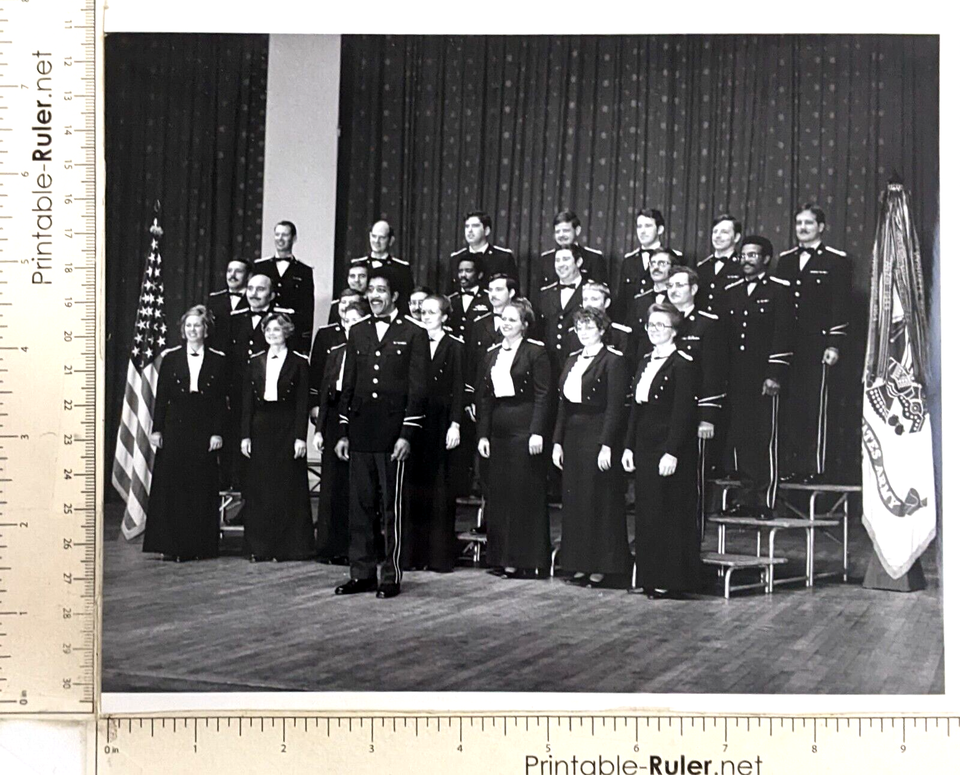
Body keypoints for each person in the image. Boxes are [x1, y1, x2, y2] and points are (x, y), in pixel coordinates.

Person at [334, 268, 429, 599]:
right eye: (371, 290)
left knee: (392, 508)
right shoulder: (358, 331)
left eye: (381, 290)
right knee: (360, 508)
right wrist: (344, 430)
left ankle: (390, 575)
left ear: (395, 296)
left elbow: (418, 389)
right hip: (361, 430)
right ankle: (361, 573)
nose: (374, 295)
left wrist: (406, 434)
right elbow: (349, 383)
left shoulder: (414, 332)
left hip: (393, 433)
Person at [622, 303, 700, 599]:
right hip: (644, 445)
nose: (654, 330)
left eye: (661, 325)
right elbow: (635, 410)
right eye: (650, 325)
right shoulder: (645, 361)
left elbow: (683, 413)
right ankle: (649, 577)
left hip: (668, 447)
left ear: (674, 330)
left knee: (669, 512)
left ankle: (670, 579)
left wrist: (672, 452)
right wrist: (628, 447)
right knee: (648, 512)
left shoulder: (683, 363)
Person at [551, 308, 630, 588]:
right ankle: (579, 564)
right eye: (579, 327)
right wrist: (557, 442)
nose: (583, 332)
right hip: (573, 435)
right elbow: (563, 405)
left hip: (597, 432)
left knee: (600, 500)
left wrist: (606, 444)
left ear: (602, 329)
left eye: (589, 327)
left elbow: (615, 408)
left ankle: (603, 566)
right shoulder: (572, 359)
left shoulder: (613, 360)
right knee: (576, 501)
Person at [143, 306, 227, 561]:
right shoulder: (170, 358)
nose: (192, 330)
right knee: (174, 485)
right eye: (188, 326)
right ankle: (172, 545)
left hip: (204, 426)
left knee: (200, 485)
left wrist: (217, 433)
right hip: (175, 426)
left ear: (206, 330)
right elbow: (162, 397)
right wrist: (157, 429)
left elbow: (221, 402)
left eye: (197, 325)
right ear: (183, 330)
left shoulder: (218, 359)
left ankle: (199, 546)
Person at [775, 204, 851, 482]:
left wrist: (834, 344)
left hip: (817, 346)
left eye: (808, 223)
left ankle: (814, 468)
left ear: (821, 227)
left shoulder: (836, 261)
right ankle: (790, 466)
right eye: (798, 223)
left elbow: (841, 306)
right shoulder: (785, 261)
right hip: (788, 346)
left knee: (814, 406)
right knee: (790, 406)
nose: (802, 228)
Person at [476, 298, 552, 578]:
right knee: (500, 494)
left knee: (523, 493)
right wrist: (483, 435)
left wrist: (537, 431)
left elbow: (543, 395)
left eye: (512, 319)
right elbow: (485, 398)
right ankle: (501, 557)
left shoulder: (536, 352)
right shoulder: (491, 354)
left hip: (524, 427)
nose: (506, 323)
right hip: (499, 430)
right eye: (503, 319)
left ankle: (526, 560)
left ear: (525, 324)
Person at [722, 236, 795, 519]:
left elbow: (783, 333)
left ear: (766, 259)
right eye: (743, 255)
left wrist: (774, 373)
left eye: (753, 255)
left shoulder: (779, 290)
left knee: (765, 437)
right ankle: (746, 497)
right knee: (742, 436)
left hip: (765, 376)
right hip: (737, 377)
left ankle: (766, 501)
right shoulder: (732, 291)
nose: (746, 260)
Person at [240, 312, 315, 561]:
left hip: (287, 427)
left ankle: (287, 548)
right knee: (260, 488)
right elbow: (247, 403)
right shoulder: (255, 361)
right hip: (261, 427)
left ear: (287, 332)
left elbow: (302, 403)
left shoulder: (299, 362)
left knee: (286, 486)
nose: (272, 334)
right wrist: (245, 436)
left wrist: (300, 437)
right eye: (268, 330)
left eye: (277, 329)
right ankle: (259, 547)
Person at [403, 294, 466, 572]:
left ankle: (438, 557)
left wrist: (455, 424)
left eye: (431, 312)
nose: (425, 316)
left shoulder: (455, 346)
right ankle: (413, 556)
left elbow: (459, 388)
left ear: (445, 316)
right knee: (414, 488)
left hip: (441, 423)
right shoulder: (411, 342)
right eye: (422, 312)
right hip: (416, 421)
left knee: (440, 490)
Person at [311, 298, 370, 564]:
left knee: (354, 486)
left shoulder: (370, 354)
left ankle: (353, 549)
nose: (350, 326)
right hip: (335, 420)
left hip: (359, 420)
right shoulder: (336, 352)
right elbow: (326, 392)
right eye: (346, 321)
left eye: (355, 321)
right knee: (331, 485)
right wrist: (320, 429)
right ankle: (328, 546)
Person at [665, 265, 725, 523]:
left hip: (694, 413)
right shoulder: (660, 321)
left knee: (691, 480)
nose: (673, 290)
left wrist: (708, 416)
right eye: (670, 285)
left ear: (694, 289)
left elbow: (714, 373)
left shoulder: (706, 324)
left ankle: (692, 537)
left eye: (679, 285)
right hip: (664, 412)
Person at [253, 221, 315, 353]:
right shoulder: (260, 267)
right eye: (277, 234)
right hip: (264, 331)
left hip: (291, 333)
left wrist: (305, 344)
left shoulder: (304, 271)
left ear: (294, 238)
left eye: (285, 235)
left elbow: (307, 309)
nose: (280, 239)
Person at [613, 208, 683, 320]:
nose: (642, 231)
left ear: (660, 229)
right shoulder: (629, 261)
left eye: (648, 226)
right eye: (639, 226)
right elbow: (622, 301)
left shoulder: (675, 257)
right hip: (635, 321)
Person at [537, 246, 586, 374]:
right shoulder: (545, 294)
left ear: (578, 262)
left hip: (580, 362)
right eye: (557, 260)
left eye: (565, 259)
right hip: (549, 365)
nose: (560, 264)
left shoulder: (590, 291)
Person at [625, 249, 677, 363]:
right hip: (642, 362)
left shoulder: (678, 300)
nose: (656, 267)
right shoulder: (639, 301)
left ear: (673, 268)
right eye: (652, 263)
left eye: (662, 263)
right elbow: (632, 340)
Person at [349, 220, 414, 311]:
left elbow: (405, 302)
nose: (376, 241)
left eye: (382, 238)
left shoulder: (402, 269)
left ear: (391, 240)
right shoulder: (356, 265)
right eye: (374, 236)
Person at [447, 210, 518, 292]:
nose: (469, 230)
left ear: (487, 230)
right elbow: (449, 293)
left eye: (475, 226)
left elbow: (513, 291)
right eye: (467, 226)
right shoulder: (455, 258)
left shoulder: (503, 258)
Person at [538, 209, 606, 289]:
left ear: (577, 230)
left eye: (566, 231)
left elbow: (601, 292)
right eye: (557, 232)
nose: (561, 235)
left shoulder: (594, 258)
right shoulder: (546, 259)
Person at [695, 214, 743, 314]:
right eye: (715, 232)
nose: (717, 236)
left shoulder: (742, 267)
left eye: (724, 232)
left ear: (736, 237)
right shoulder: (702, 267)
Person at [206, 258, 251, 352]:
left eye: (238, 271)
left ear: (248, 276)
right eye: (229, 271)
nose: (232, 275)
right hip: (219, 354)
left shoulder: (253, 300)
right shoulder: (214, 299)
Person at [447, 254, 491, 342]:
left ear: (480, 275)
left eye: (468, 271)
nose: (463, 275)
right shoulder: (450, 300)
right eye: (460, 271)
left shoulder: (489, 299)